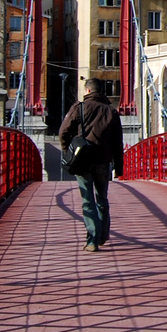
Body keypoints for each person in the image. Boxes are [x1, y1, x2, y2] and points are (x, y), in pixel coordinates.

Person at [59, 79, 124, 251]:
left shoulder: (79, 108)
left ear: (88, 90)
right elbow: (118, 142)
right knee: (102, 198)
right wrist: (119, 167)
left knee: (87, 200)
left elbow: (63, 132)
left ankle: (92, 240)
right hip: (103, 161)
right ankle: (103, 235)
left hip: (83, 160)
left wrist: (68, 152)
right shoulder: (111, 111)